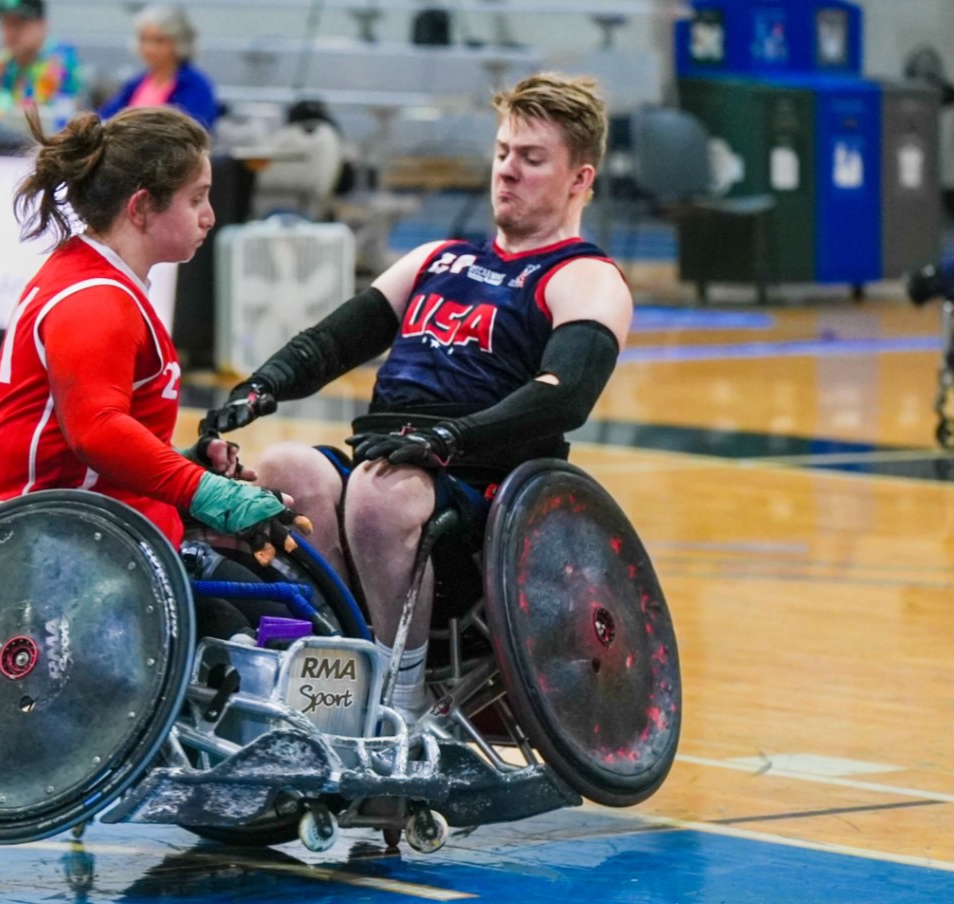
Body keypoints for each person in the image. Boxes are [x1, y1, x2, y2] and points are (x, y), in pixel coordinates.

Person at [203, 72, 632, 722]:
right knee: (286, 468)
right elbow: (331, 343)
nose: (507, 171)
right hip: (393, 453)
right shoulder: (439, 257)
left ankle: (400, 689)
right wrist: (261, 386)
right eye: (501, 153)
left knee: (382, 490)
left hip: (479, 481)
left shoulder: (583, 276)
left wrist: (447, 439)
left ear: (580, 179)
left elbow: (563, 396)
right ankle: (342, 663)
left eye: (531, 159)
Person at [0, 106, 306, 637]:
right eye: (196, 198)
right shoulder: (96, 302)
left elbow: (78, 449)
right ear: (140, 208)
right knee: (284, 626)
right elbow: (95, 431)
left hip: (91, 531)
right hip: (71, 549)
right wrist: (207, 492)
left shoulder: (88, 271)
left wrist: (185, 465)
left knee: (281, 605)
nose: (210, 216)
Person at [0, 0, 79, 131]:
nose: (10, 33)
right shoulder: (3, 61)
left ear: (41, 25)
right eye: (5, 24)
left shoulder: (60, 61)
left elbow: (31, 121)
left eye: (18, 24)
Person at [98, 4, 218, 130]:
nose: (150, 49)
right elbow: (105, 118)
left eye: (159, 41)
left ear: (180, 43)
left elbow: (193, 132)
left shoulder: (196, 86)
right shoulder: (134, 84)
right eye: (144, 40)